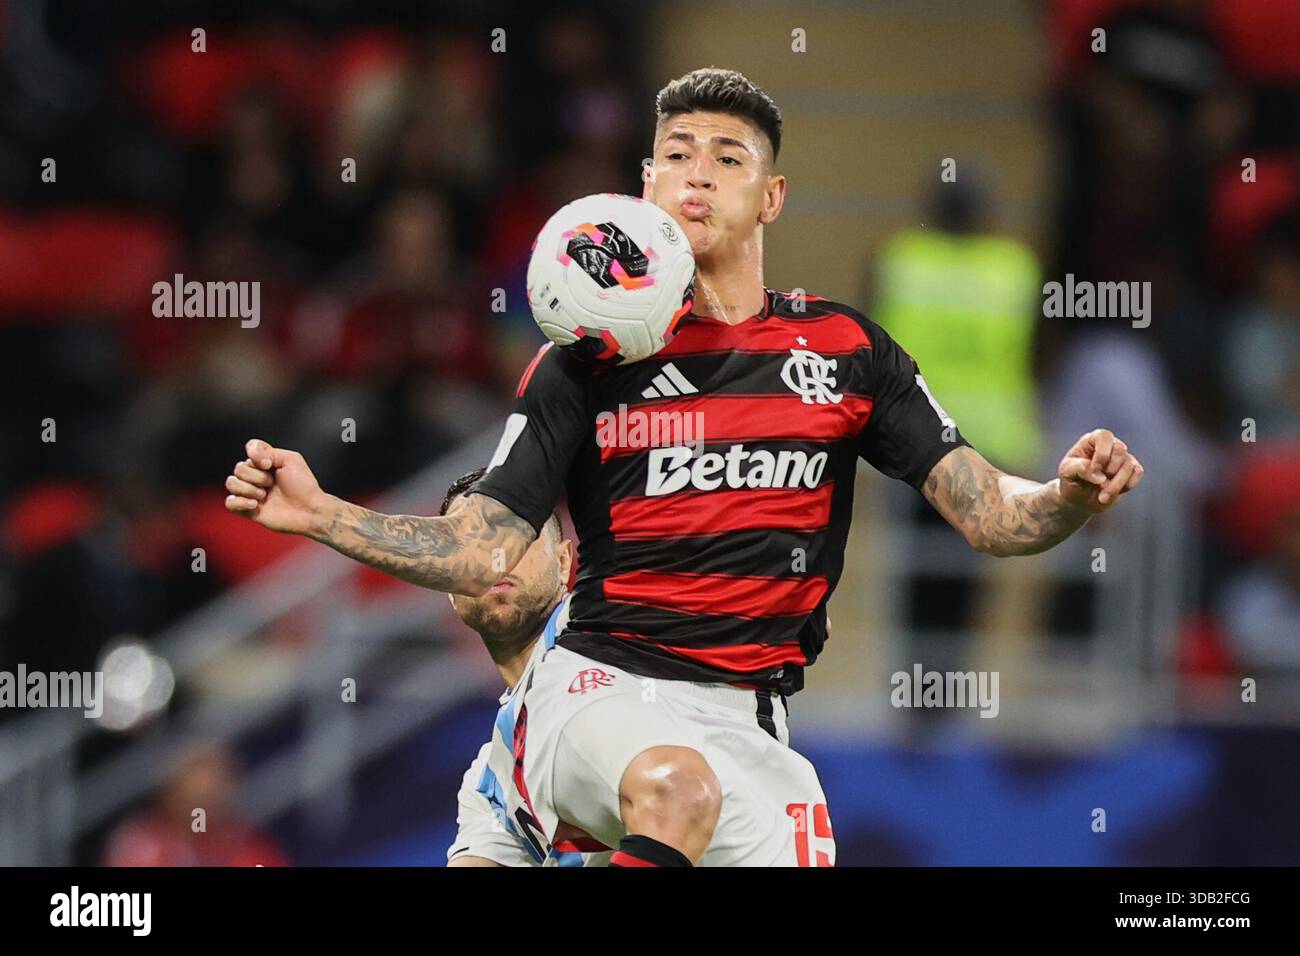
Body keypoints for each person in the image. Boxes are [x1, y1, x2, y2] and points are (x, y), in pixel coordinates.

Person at [223, 68, 1145, 867]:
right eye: (676, 152)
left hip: (754, 721)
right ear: (645, 184)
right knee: (677, 793)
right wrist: (321, 515)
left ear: (772, 197)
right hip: (602, 684)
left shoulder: (847, 351)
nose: (698, 170)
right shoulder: (582, 360)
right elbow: (483, 549)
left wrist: (1067, 497)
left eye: (728, 156)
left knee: (694, 787)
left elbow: (991, 514)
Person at [438, 467, 608, 867]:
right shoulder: (488, 783)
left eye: (517, 534)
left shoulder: (616, 632)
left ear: (565, 561)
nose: (497, 556)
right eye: (470, 541)